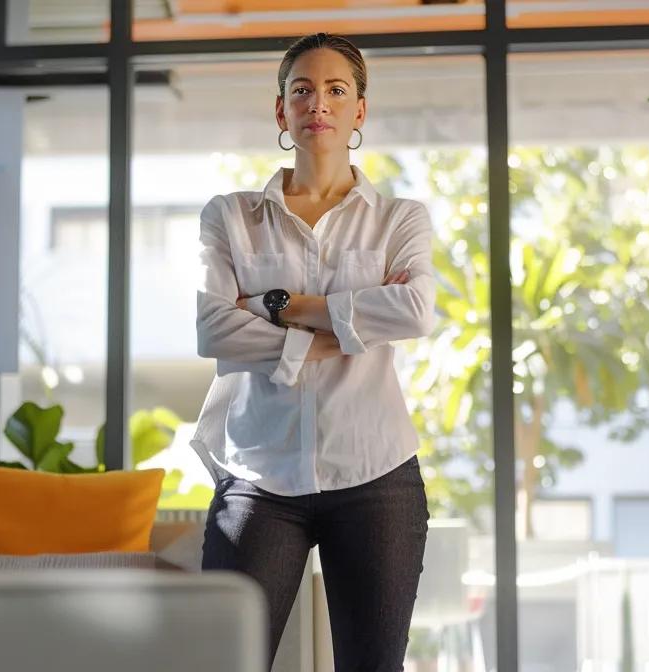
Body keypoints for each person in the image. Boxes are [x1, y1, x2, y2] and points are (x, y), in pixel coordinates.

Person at [189, 32, 438, 671]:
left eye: (336, 90)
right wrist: (346, 328)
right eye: (301, 90)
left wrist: (278, 305)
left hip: (375, 474)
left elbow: (414, 311)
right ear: (282, 112)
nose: (317, 103)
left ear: (359, 111)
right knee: (229, 660)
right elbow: (213, 331)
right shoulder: (230, 217)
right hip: (258, 476)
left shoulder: (400, 220)